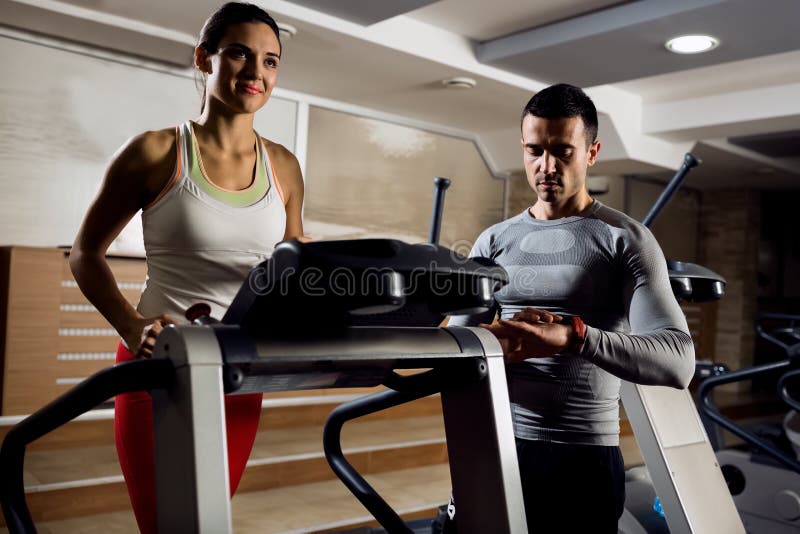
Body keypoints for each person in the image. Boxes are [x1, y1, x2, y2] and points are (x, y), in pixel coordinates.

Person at [69, 3, 305, 532]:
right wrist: (131, 327)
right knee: (167, 522)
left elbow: (292, 271)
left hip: (241, 369)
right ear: (205, 58)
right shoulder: (156, 151)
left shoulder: (284, 166)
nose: (256, 73)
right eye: (240, 53)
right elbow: (85, 253)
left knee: (209, 519)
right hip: (161, 366)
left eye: (271, 61)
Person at [448, 83, 694, 533]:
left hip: (582, 457)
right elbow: (456, 347)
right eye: (534, 150)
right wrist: (492, 338)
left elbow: (677, 361)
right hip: (497, 443)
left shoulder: (625, 240)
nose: (546, 167)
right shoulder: (494, 241)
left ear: (592, 152)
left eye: (563, 151)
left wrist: (572, 336)